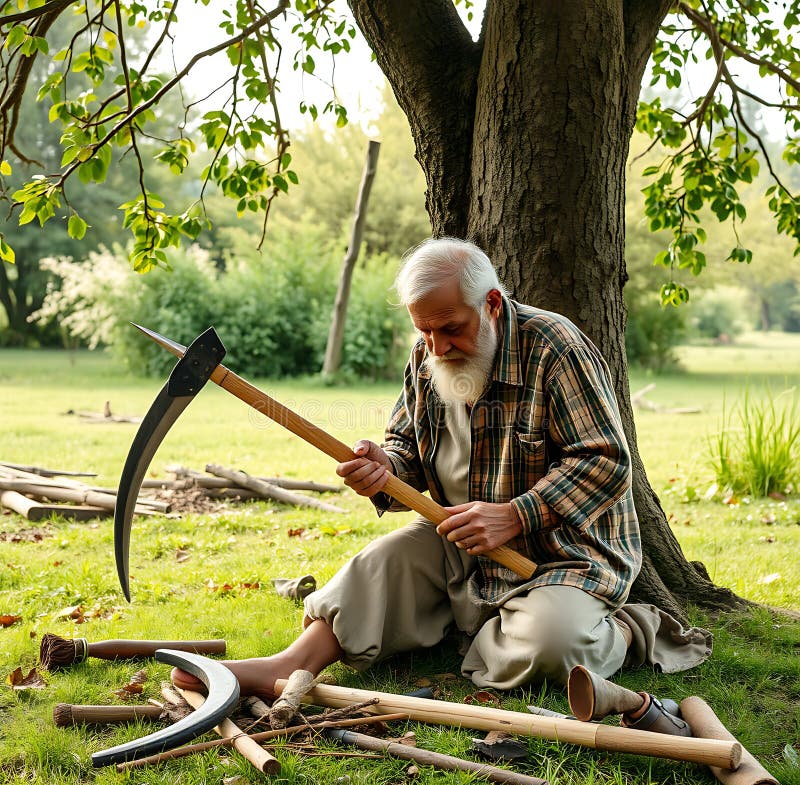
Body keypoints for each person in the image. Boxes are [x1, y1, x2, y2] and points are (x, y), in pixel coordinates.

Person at [173, 237, 708, 699]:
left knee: (553, 645)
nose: (438, 346)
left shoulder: (555, 348)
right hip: (459, 544)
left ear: (492, 304)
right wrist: (385, 468)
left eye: (451, 329)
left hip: (558, 558)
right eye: (424, 331)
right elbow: (404, 447)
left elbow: (607, 460)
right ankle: (288, 665)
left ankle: (633, 629)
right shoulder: (427, 354)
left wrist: (517, 516)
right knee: (378, 564)